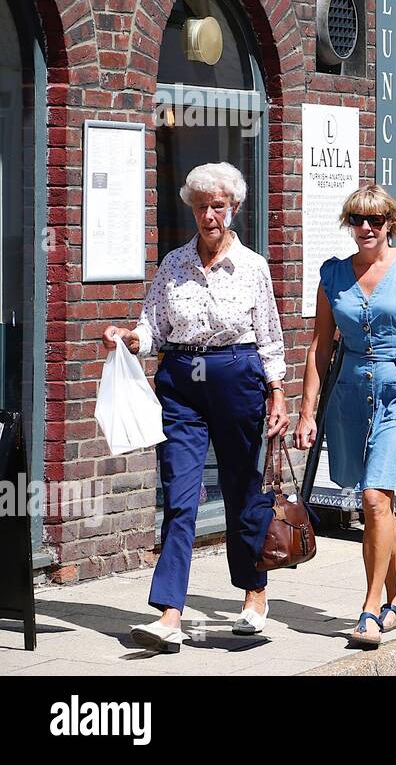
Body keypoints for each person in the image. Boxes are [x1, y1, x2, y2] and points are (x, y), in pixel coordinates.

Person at [101, 162, 288, 653]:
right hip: (182, 384)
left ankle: (254, 594)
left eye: (218, 206)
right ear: (193, 209)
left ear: (234, 209)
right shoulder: (173, 265)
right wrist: (128, 338)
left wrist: (278, 392)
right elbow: (152, 327)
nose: (209, 215)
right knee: (180, 496)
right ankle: (169, 613)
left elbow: (270, 335)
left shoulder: (252, 267)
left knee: (242, 489)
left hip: (237, 378)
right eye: (202, 206)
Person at [296, 184, 396, 649]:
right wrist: (307, 410)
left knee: (374, 498)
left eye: (377, 220)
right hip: (348, 396)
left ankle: (368, 611)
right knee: (371, 500)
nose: (367, 228)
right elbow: (321, 346)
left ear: (391, 224)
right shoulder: (332, 274)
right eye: (358, 220)